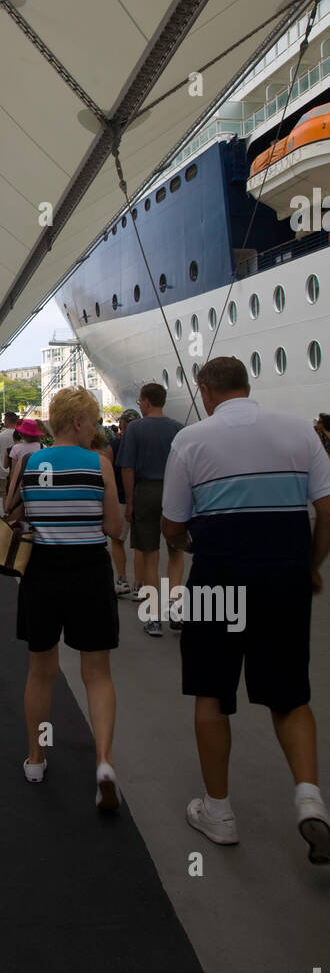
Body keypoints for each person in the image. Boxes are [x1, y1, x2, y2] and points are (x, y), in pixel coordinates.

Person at [161, 356, 330, 863]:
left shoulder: (190, 441)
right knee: (289, 695)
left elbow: (172, 525)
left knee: (212, 692)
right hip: (284, 579)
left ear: (205, 390)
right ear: (247, 385)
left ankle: (219, 812)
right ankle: (308, 798)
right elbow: (327, 509)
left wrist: (193, 543)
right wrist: (310, 563)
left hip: (219, 581)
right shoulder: (302, 432)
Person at [6, 387, 123, 807]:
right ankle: (104, 763)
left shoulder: (32, 461)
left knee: (41, 669)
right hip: (89, 572)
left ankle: (36, 757)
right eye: (93, 421)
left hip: (43, 573)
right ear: (78, 422)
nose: (96, 430)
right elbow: (115, 528)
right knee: (98, 672)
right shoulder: (100, 465)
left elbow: (12, 511)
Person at [118, 382, 184, 636]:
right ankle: (176, 607)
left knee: (149, 554)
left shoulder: (135, 429)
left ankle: (154, 616)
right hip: (174, 491)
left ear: (145, 401)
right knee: (176, 551)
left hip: (146, 491)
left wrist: (131, 502)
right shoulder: (178, 428)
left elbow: (127, 468)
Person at [106, 409, 140, 597]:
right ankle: (139, 584)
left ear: (122, 425)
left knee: (118, 541)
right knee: (142, 546)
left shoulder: (115, 444)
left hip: (119, 497)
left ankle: (121, 579)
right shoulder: (145, 444)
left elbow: (108, 472)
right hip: (142, 496)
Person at [3, 418, 44, 508]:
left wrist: (10, 495)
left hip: (20, 488)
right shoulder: (43, 447)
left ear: (22, 434)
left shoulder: (16, 448)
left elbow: (13, 473)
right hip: (37, 486)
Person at [0, 411, 19, 500]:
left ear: (6, 421)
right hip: (18, 471)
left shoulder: (0, 436)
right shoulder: (21, 434)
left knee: (4, 496)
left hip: (3, 471)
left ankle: (6, 513)